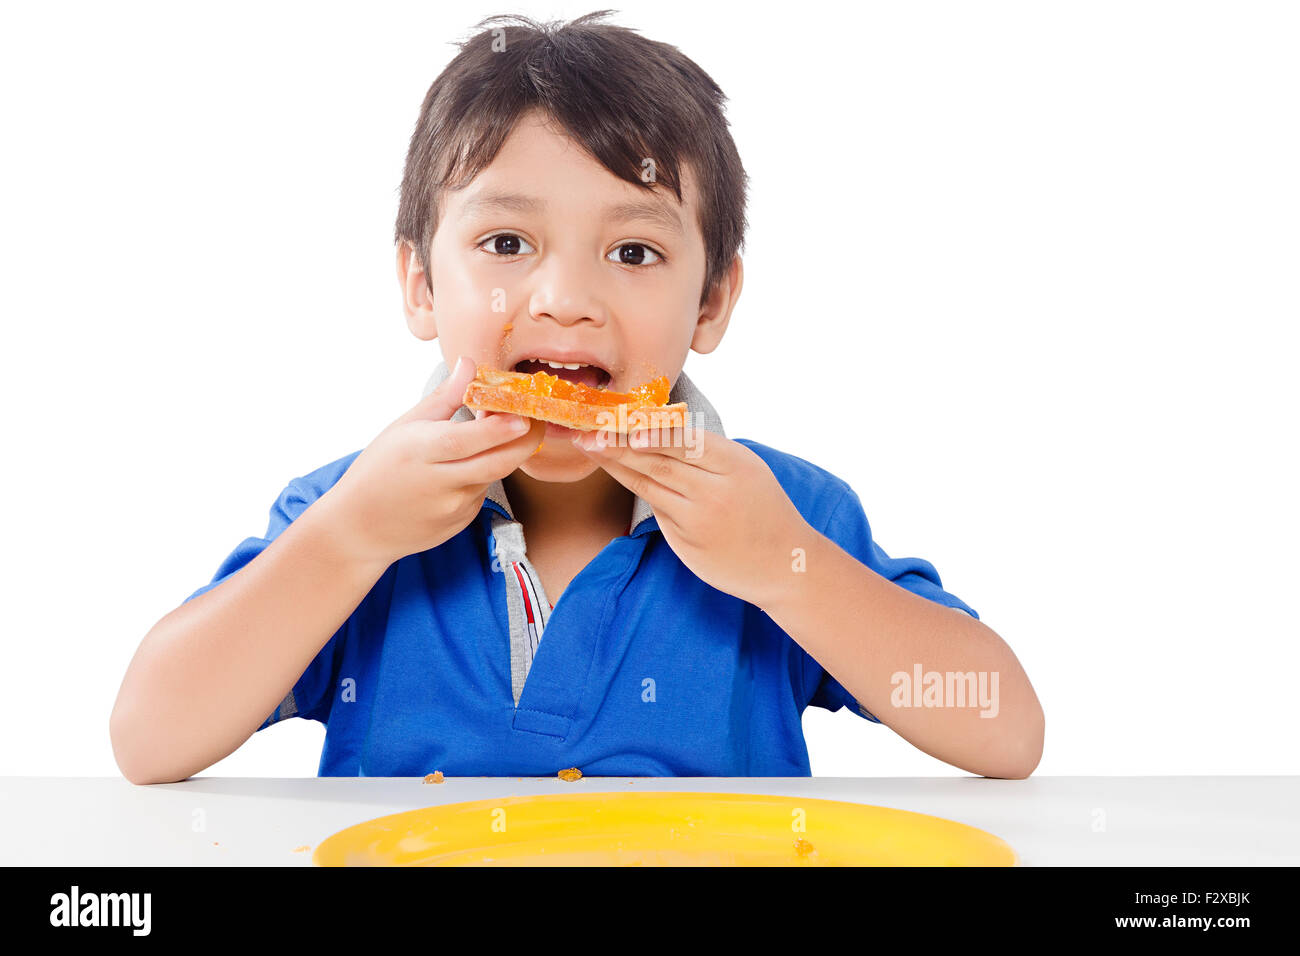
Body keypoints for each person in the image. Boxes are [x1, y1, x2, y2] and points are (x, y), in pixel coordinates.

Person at [110, 11, 1043, 783]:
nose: (562, 298)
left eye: (633, 253)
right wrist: (349, 539)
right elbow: (149, 741)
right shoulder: (350, 514)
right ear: (422, 287)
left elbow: (1005, 733)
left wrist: (781, 563)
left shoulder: (778, 512)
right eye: (507, 244)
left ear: (712, 301)